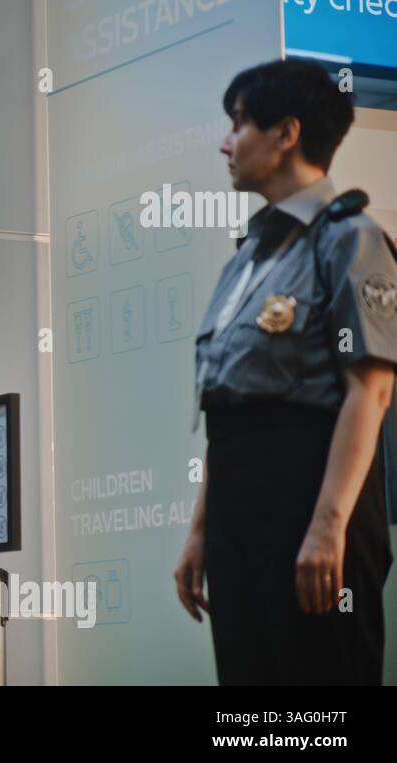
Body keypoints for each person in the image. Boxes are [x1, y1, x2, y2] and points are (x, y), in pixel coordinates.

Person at [174, 60, 397, 685]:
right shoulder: (246, 258)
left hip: (313, 510)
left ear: (286, 134)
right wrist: (200, 532)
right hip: (240, 524)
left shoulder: (351, 239)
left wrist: (329, 529)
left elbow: (371, 391)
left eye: (239, 123)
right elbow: (230, 407)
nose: (225, 141)